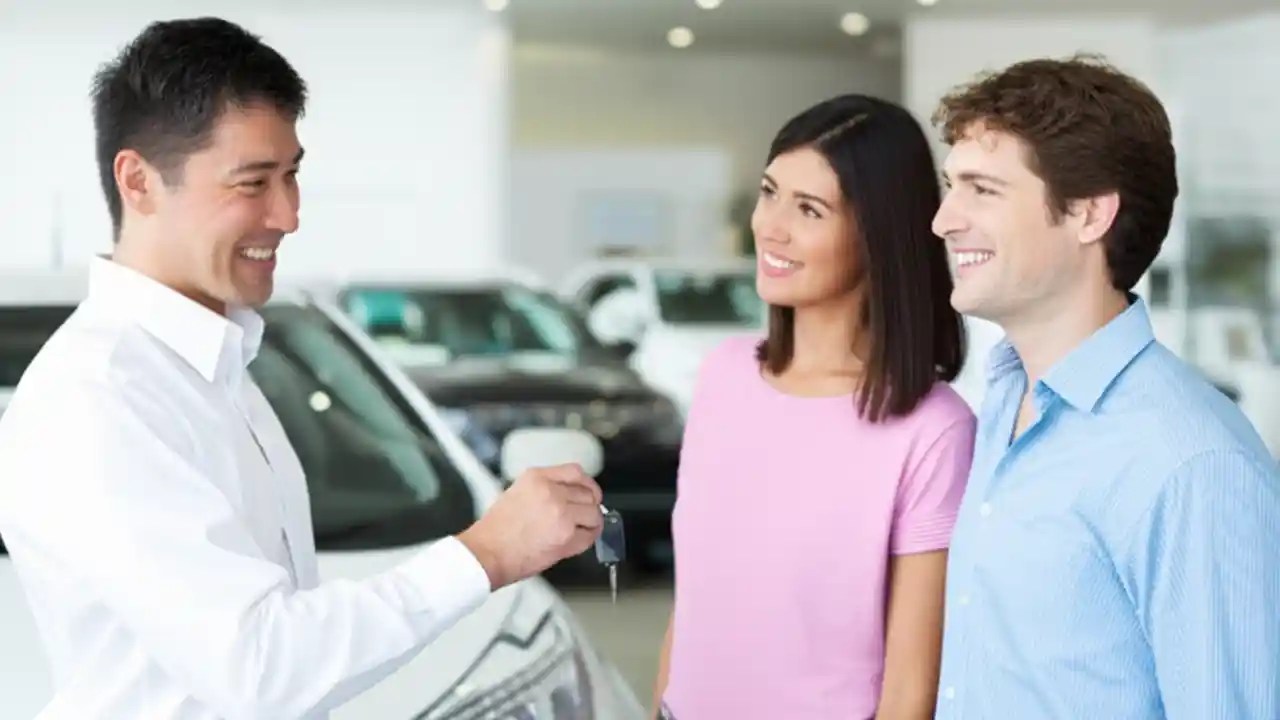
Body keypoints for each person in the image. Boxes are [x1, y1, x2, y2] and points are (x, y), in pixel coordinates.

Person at [0, 17, 604, 719]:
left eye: (291, 175)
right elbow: (260, 667)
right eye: (253, 182)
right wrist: (487, 553)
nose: (288, 214)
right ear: (139, 182)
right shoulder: (99, 398)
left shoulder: (215, 367)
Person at [929, 55, 1280, 719]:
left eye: (983, 190)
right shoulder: (1004, 399)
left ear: (1089, 214)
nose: (943, 220)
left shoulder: (1194, 464)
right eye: (952, 186)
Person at [651, 94, 976, 719]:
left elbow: (909, 692)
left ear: (877, 236)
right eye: (770, 192)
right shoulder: (723, 376)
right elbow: (692, 607)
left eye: (809, 209)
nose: (770, 227)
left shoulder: (933, 429)